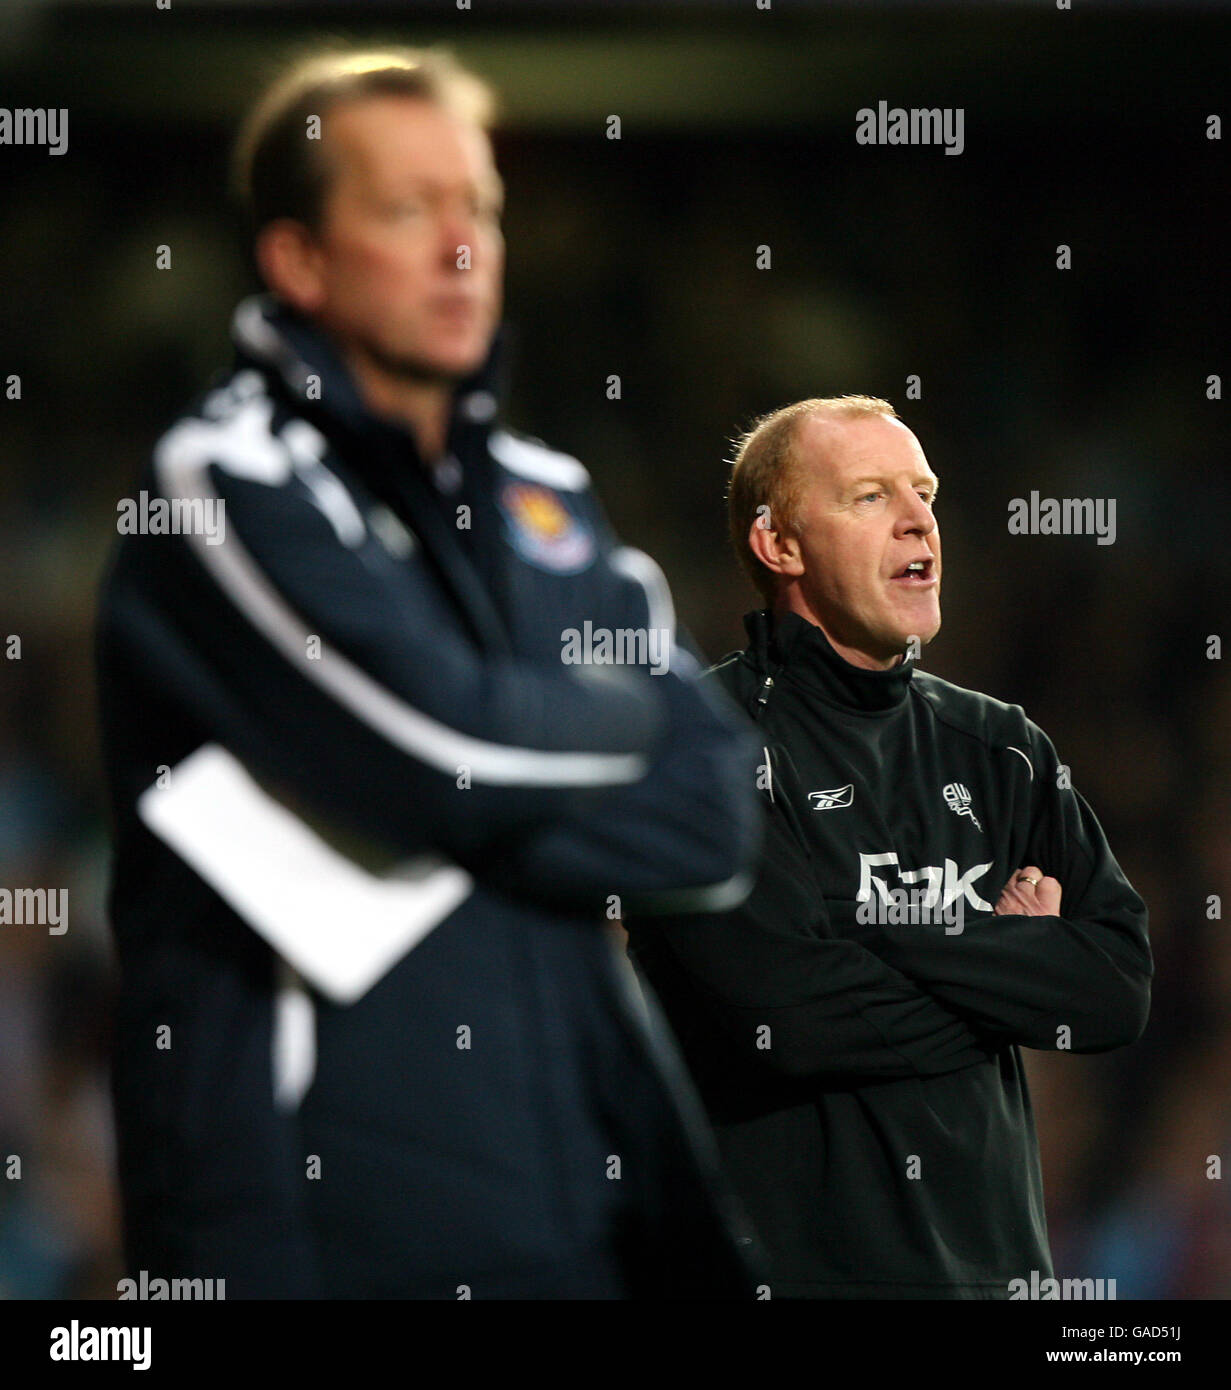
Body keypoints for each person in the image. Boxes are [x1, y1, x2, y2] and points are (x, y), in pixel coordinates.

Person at [95, 47, 763, 1299]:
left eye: (481, 208)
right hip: (312, 1240)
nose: (464, 249)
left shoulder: (547, 500)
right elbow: (441, 753)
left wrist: (447, 784)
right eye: (409, 210)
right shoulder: (218, 485)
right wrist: (602, 733)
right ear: (297, 259)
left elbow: (716, 807)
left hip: (590, 1232)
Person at [626, 395, 1152, 1299]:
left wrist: (861, 931)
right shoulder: (700, 749)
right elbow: (786, 1022)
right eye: (869, 497)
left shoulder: (1001, 748)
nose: (918, 521)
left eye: (924, 492)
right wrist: (1009, 963)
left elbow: (1112, 987)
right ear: (779, 545)